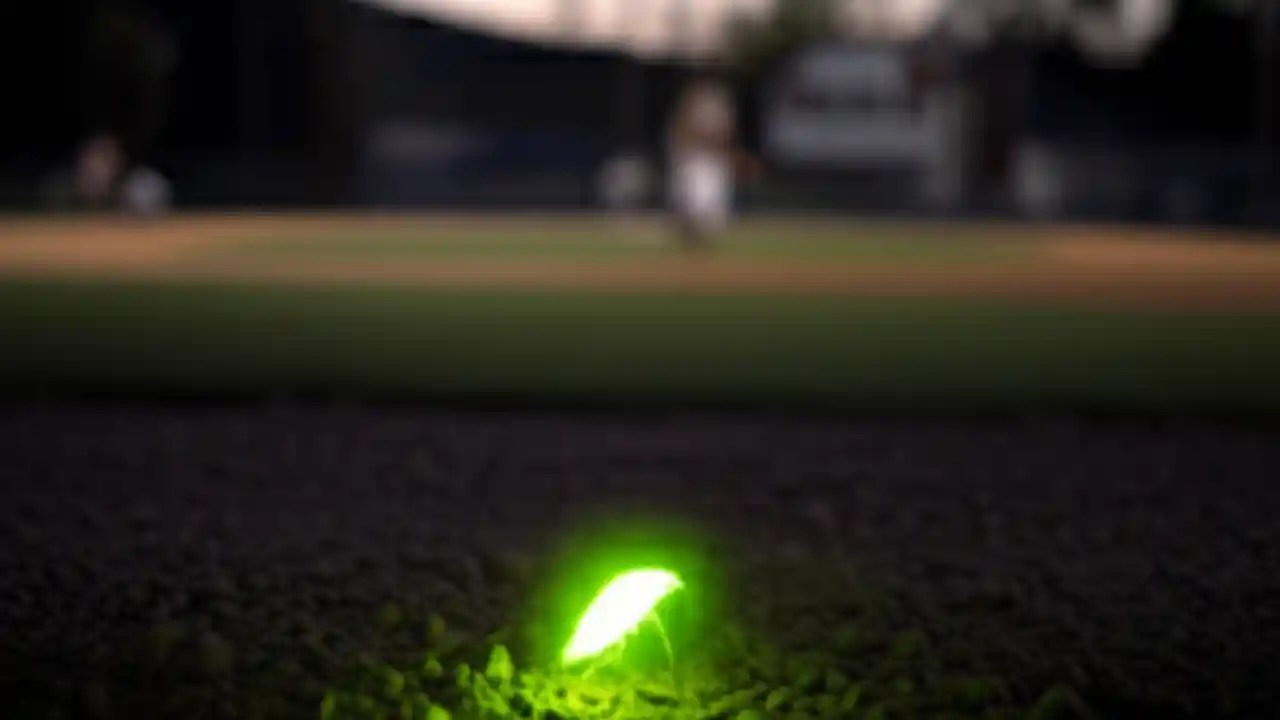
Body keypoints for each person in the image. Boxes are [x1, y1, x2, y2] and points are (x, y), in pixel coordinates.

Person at [665, 76, 759, 251]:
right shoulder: (692, 104)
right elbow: (684, 131)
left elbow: (724, 134)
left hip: (714, 160)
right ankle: (691, 240)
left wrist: (730, 153)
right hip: (695, 158)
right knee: (693, 205)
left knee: (713, 212)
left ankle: (699, 244)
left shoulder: (720, 105)